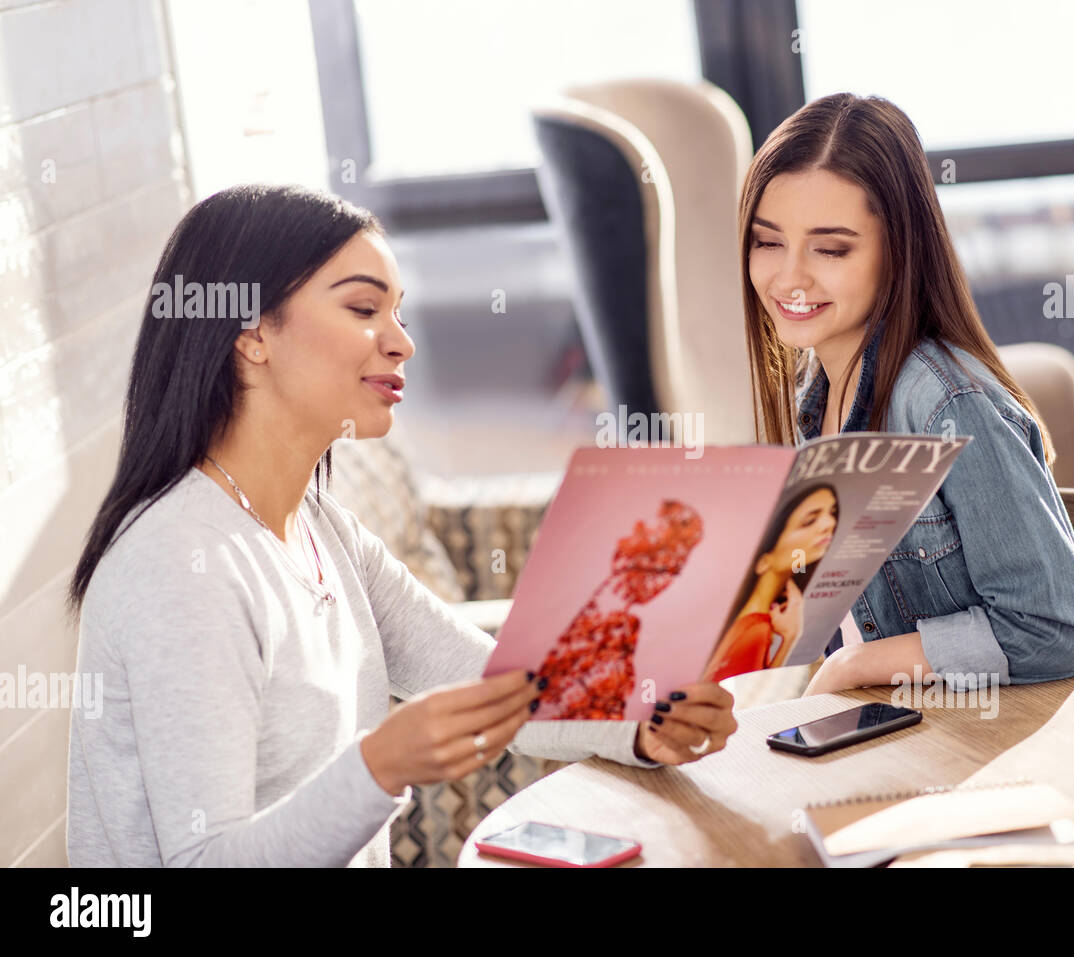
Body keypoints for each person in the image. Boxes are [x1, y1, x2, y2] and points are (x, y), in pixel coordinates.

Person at [64, 184, 738, 867]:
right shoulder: (178, 566)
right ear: (252, 334)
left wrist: (640, 722)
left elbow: (492, 681)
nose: (403, 342)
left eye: (399, 313)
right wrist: (378, 766)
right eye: (363, 308)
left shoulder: (322, 528)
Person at [733, 93, 1074, 698]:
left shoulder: (945, 402)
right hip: (912, 741)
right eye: (767, 242)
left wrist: (856, 666)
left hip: (1014, 757)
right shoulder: (815, 395)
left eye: (831, 248)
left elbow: (1051, 630)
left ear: (899, 250)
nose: (790, 277)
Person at [702, 484, 837, 681]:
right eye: (809, 521)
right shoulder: (756, 630)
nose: (828, 523)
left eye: (832, 513)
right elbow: (752, 704)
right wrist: (790, 637)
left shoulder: (751, 623)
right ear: (763, 560)